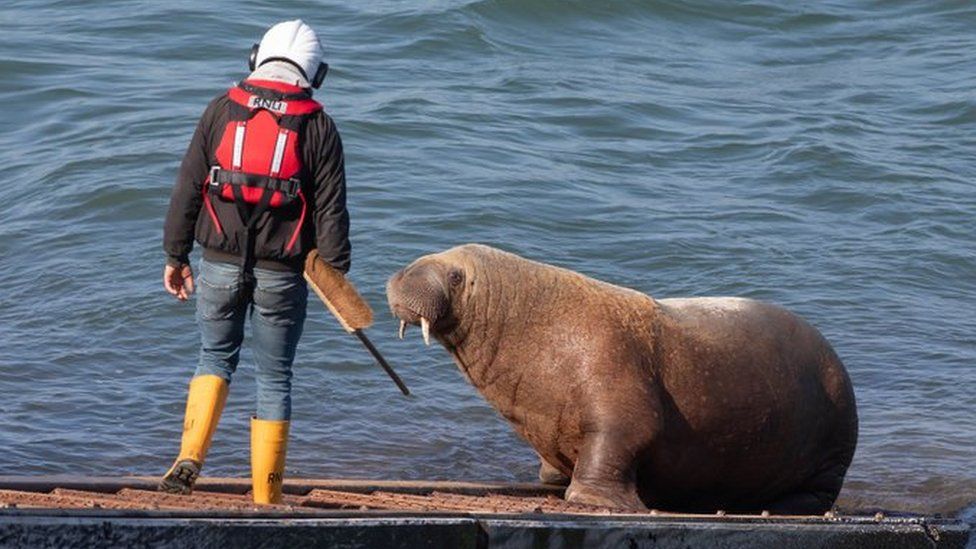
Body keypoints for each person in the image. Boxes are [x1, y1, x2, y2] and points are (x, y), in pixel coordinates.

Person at [159, 20, 350, 504]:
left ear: (255, 58)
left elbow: (187, 188)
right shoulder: (319, 127)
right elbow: (331, 212)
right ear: (316, 74)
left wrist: (175, 254)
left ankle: (189, 457)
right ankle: (267, 497)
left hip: (219, 262)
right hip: (282, 274)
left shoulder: (221, 110)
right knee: (275, 375)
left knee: (214, 356)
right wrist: (334, 271)